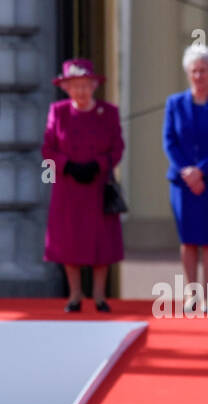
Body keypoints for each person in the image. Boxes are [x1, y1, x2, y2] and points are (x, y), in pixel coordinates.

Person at [42, 59, 124, 313]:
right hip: (68, 187)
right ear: (66, 88)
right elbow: (47, 149)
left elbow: (118, 147)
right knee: (70, 241)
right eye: (75, 86)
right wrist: (67, 165)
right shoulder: (58, 111)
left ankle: (99, 295)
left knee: (102, 242)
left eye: (85, 85)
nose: (80, 91)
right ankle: (75, 295)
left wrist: (99, 164)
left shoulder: (109, 112)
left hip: (98, 186)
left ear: (94, 86)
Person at [163, 44, 208, 314]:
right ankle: (191, 294)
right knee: (189, 239)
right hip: (182, 182)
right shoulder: (174, 103)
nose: (199, 75)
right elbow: (170, 142)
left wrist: (201, 171)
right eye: (194, 70)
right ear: (187, 73)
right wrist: (188, 171)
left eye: (203, 70)